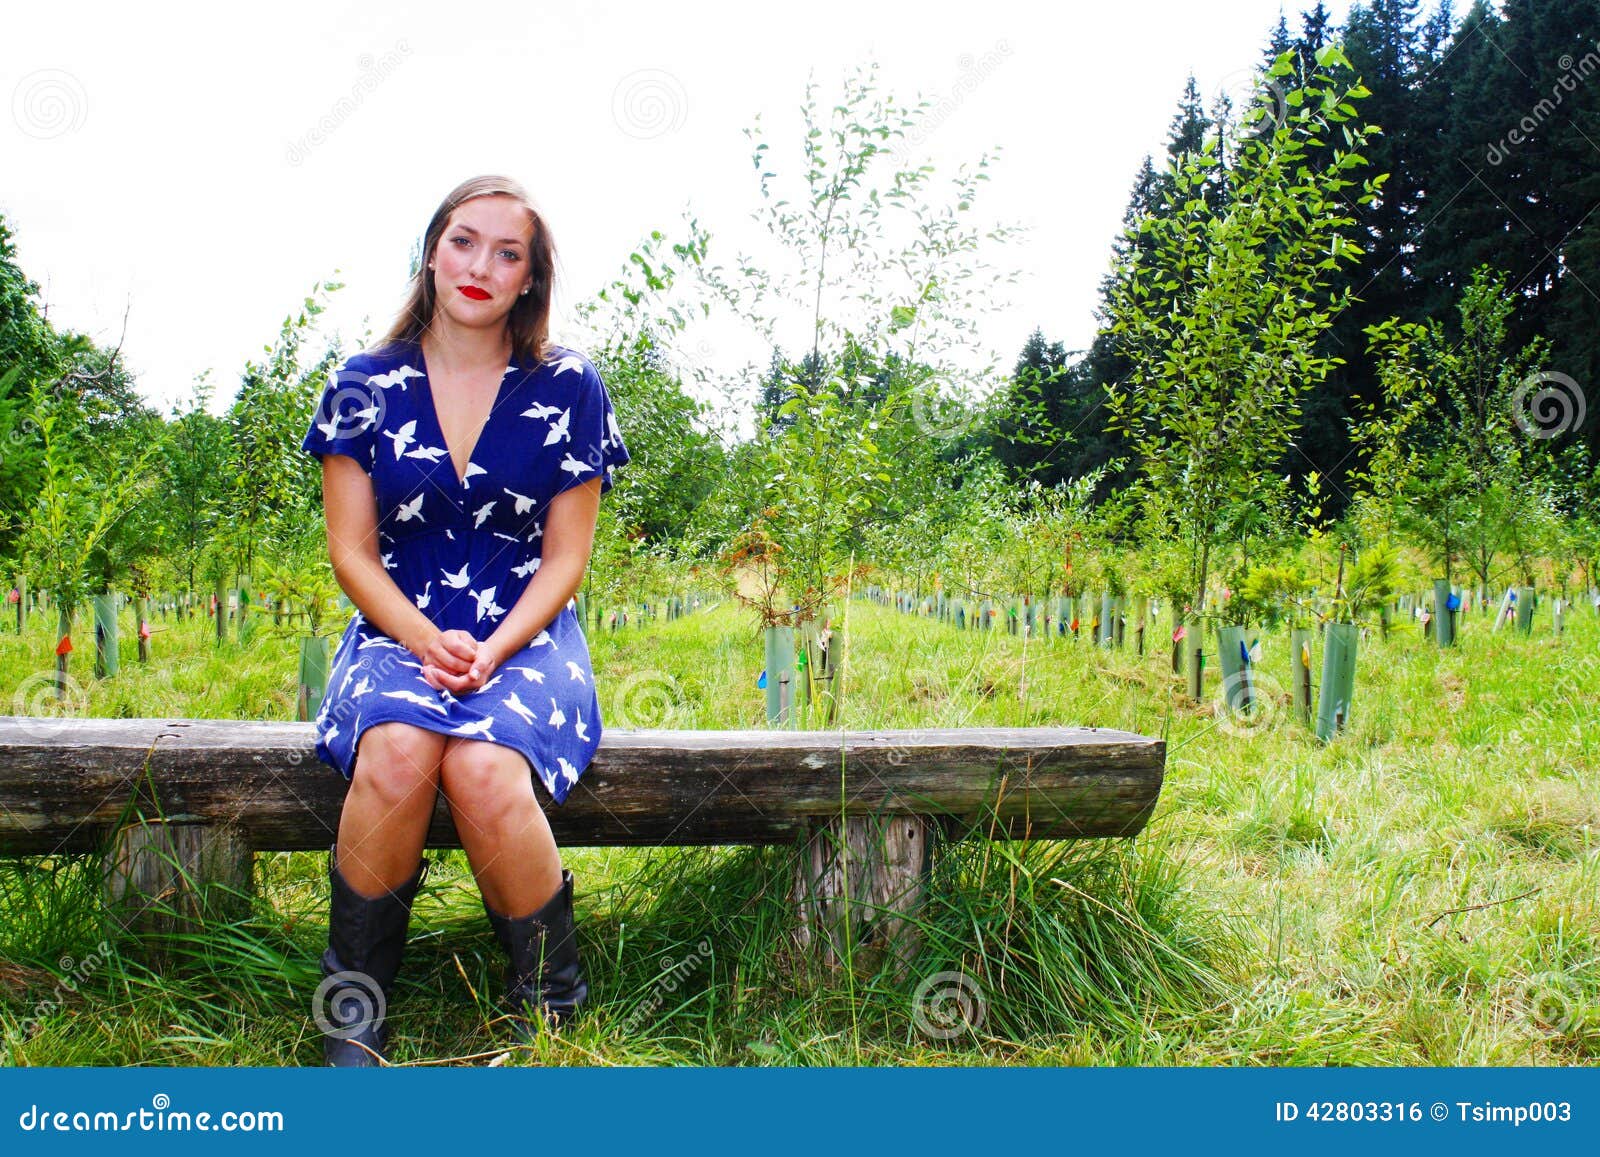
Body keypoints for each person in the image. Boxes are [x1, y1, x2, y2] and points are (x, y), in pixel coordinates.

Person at [299, 175, 630, 1066]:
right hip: (395, 624)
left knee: (483, 769)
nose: (481, 265)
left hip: (526, 630)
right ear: (431, 251)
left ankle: (552, 1005)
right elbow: (351, 554)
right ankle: (354, 1011)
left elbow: (566, 556)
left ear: (531, 279)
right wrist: (419, 637)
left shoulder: (568, 387)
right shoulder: (361, 385)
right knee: (401, 753)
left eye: (507, 252)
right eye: (463, 241)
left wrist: (495, 646)